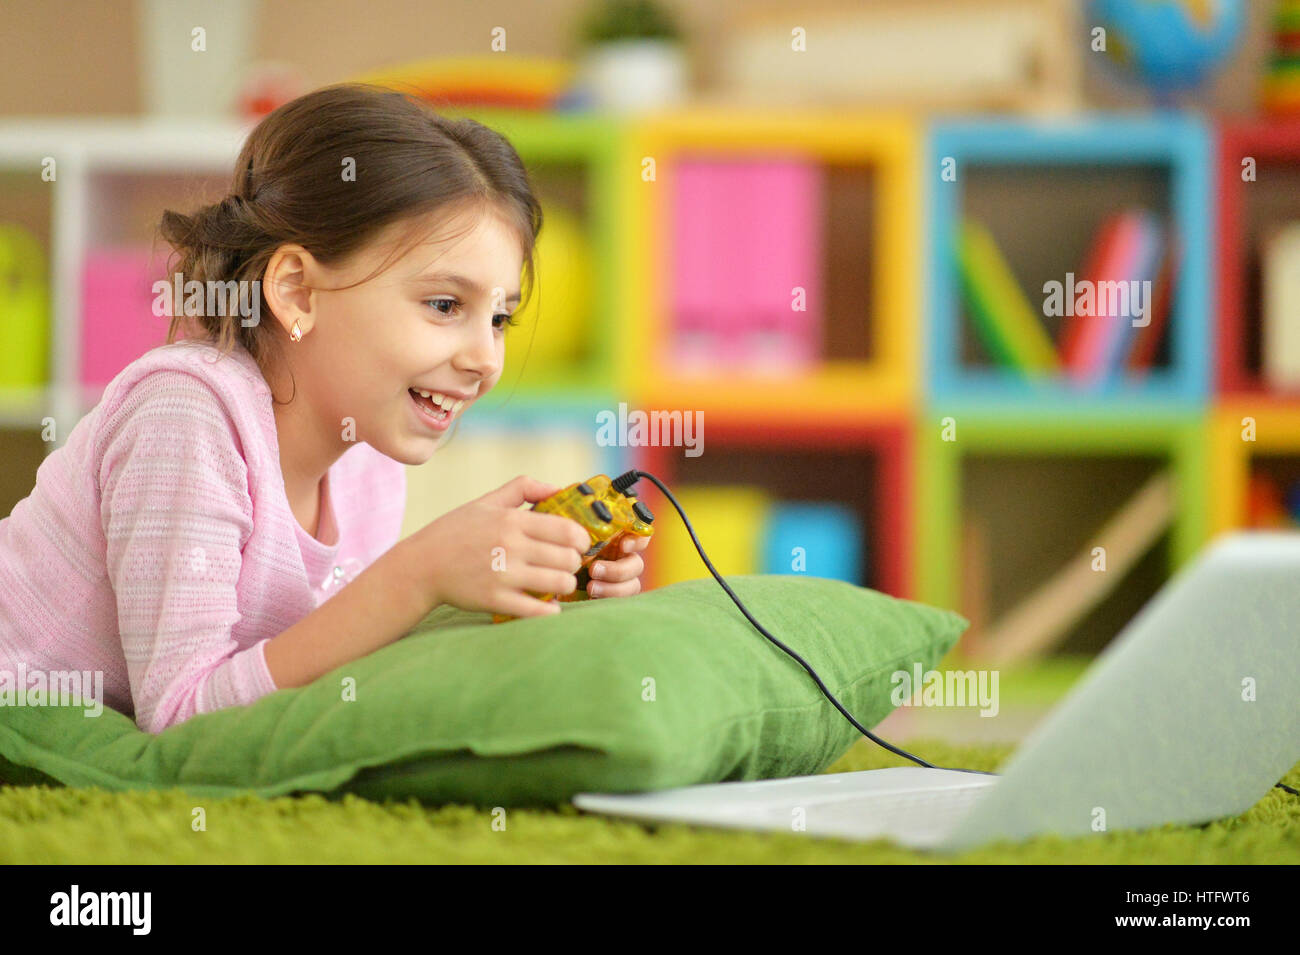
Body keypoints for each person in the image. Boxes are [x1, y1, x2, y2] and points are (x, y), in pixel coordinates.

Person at [0, 83, 650, 734]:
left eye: (502, 317)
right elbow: (180, 718)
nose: (487, 359)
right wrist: (417, 574)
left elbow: (309, 664)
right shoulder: (187, 413)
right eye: (446, 305)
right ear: (296, 292)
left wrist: (521, 584)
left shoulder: (368, 461)